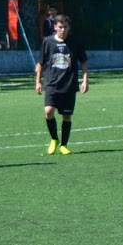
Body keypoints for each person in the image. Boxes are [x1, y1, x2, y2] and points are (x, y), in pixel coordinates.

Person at [34, 14, 89, 155]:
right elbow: (40, 63)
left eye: (65, 27)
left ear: (69, 28)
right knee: (48, 111)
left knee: (66, 116)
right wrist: (38, 81)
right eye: (60, 27)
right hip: (52, 83)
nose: (63, 30)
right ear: (55, 27)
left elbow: (83, 62)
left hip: (69, 84)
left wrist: (85, 80)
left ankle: (64, 145)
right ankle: (54, 139)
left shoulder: (75, 42)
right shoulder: (47, 41)